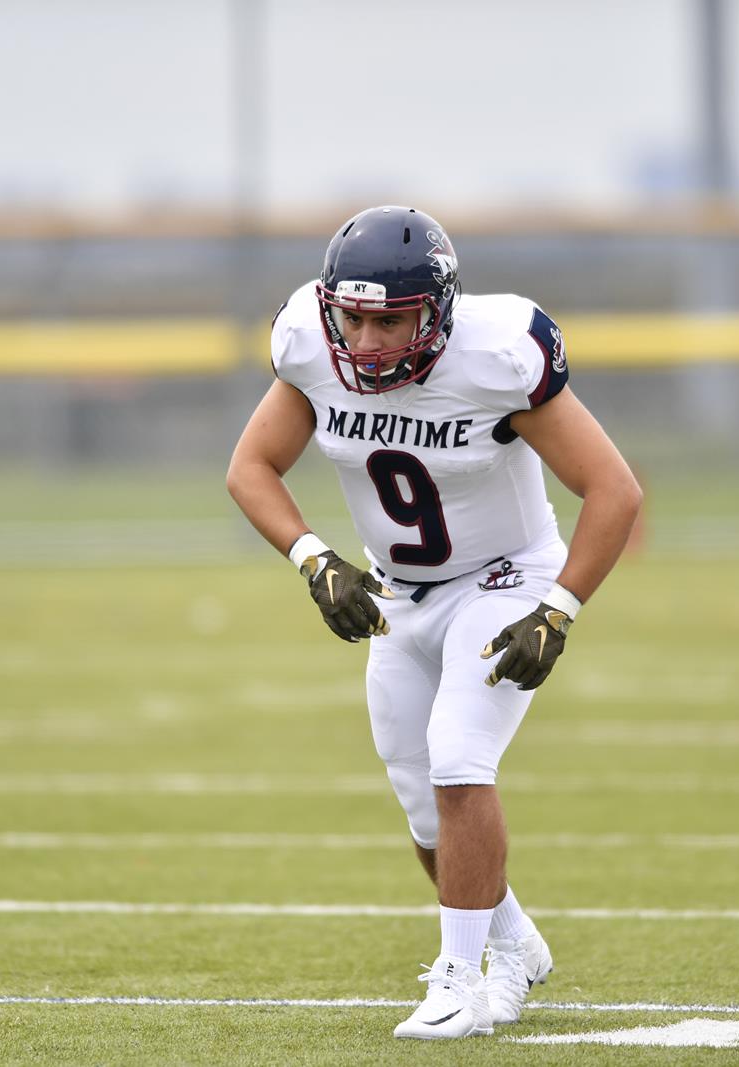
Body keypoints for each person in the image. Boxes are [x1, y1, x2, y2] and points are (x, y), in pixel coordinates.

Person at [226, 205, 642, 1040]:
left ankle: (459, 979)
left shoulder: (496, 358)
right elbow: (250, 467)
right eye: (356, 317)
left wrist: (557, 609)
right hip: (397, 592)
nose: (370, 339)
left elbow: (615, 490)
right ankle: (514, 944)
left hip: (501, 580)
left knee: (458, 759)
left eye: (392, 319)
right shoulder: (310, 344)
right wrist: (314, 558)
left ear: (440, 308)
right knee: (423, 806)